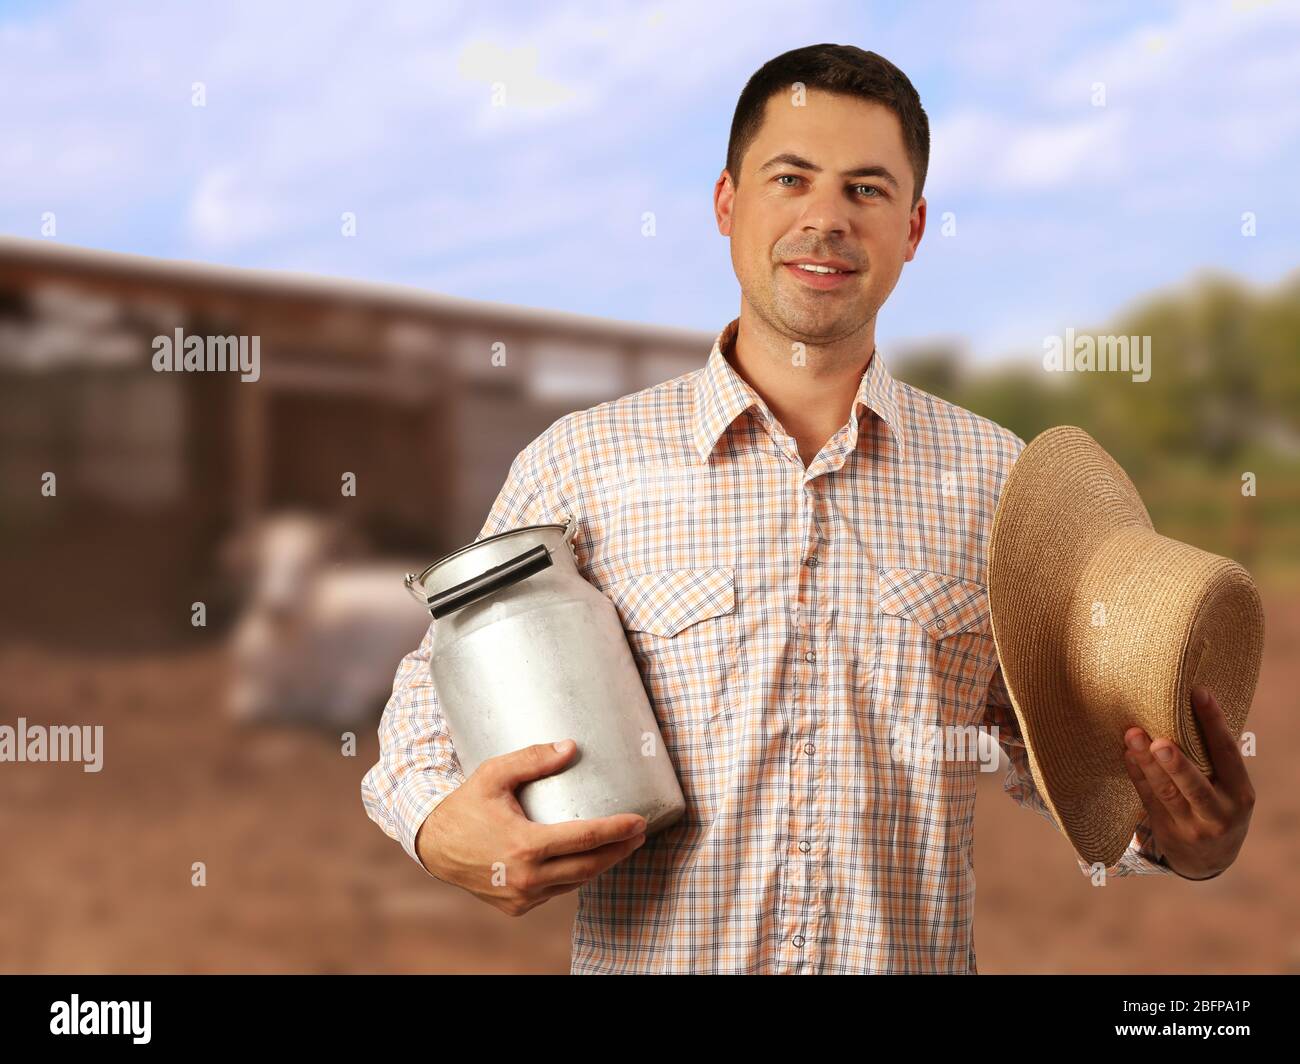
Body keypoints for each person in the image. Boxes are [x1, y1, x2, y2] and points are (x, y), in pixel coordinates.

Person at [361, 43, 1247, 975]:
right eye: (792, 179)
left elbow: (1065, 758)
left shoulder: (1000, 484)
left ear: (912, 228)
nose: (826, 219)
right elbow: (426, 701)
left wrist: (1179, 841)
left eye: (867, 190)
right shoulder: (583, 462)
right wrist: (436, 827)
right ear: (726, 204)